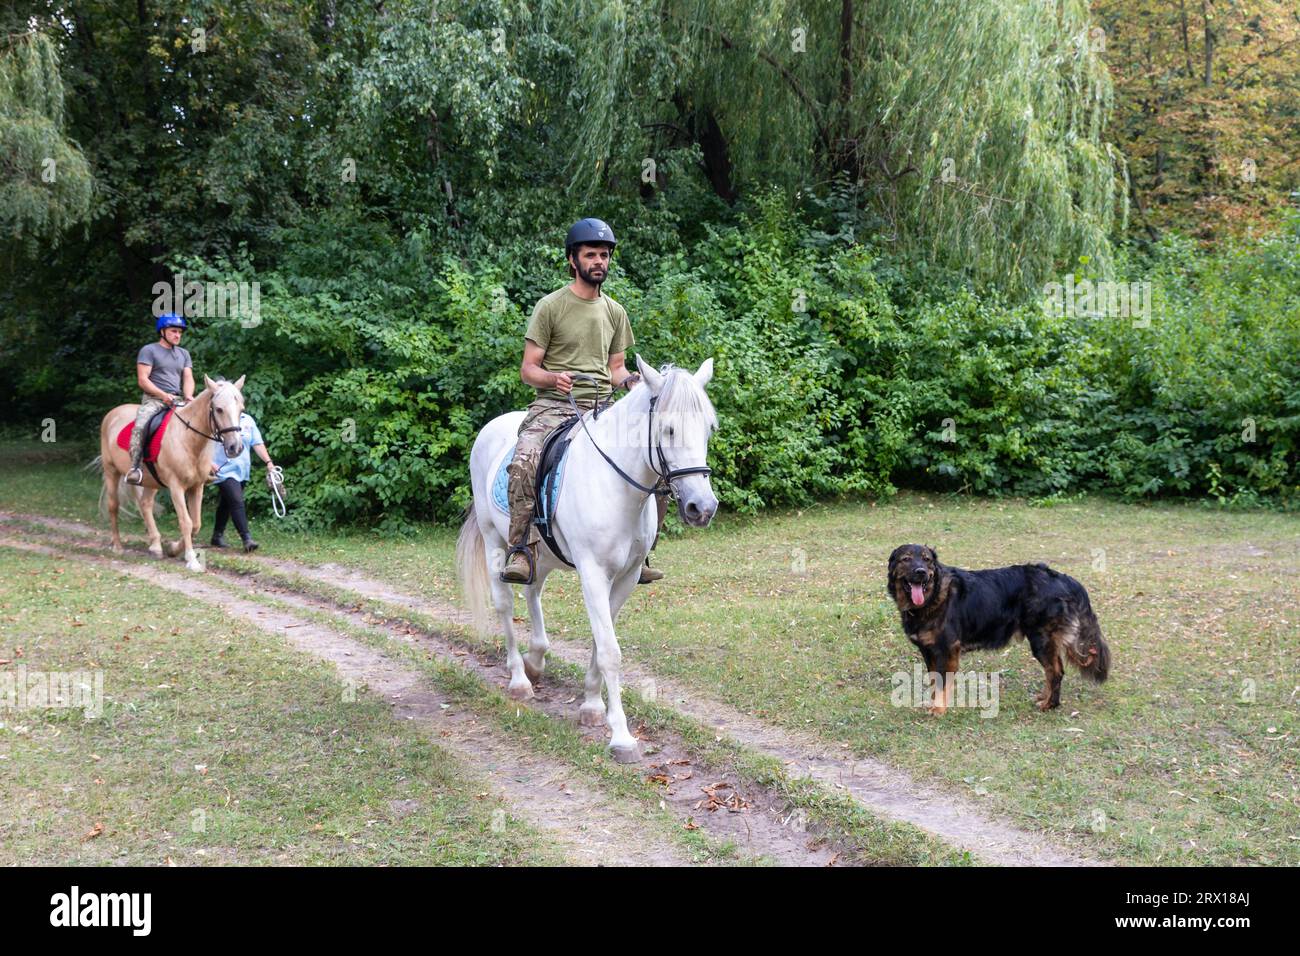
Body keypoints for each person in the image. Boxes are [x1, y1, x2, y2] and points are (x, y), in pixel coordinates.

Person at [501, 217, 669, 584]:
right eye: (591, 254)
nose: (599, 261)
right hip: (554, 407)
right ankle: (522, 550)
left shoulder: (615, 312)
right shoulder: (550, 307)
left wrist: (630, 381)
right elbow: (528, 369)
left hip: (602, 408)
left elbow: (616, 368)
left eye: (604, 255)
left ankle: (641, 551)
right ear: (572, 260)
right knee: (525, 460)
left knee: (658, 459)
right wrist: (552, 378)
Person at [126, 313, 194, 484]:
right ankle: (135, 467)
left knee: (202, 424)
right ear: (162, 332)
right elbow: (143, 379)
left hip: (178, 400)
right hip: (154, 399)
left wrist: (188, 396)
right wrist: (163, 395)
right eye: (173, 331)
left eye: (180, 332)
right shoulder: (149, 350)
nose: (177, 335)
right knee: (140, 426)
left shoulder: (184, 354)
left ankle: (206, 467)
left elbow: (188, 378)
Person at [207, 397, 275, 553]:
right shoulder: (215, 420)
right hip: (223, 470)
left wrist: (268, 462)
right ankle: (246, 539)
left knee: (227, 503)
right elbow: (202, 443)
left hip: (242, 470)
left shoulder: (247, 420)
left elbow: (257, 443)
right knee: (237, 500)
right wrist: (208, 462)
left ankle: (217, 536)